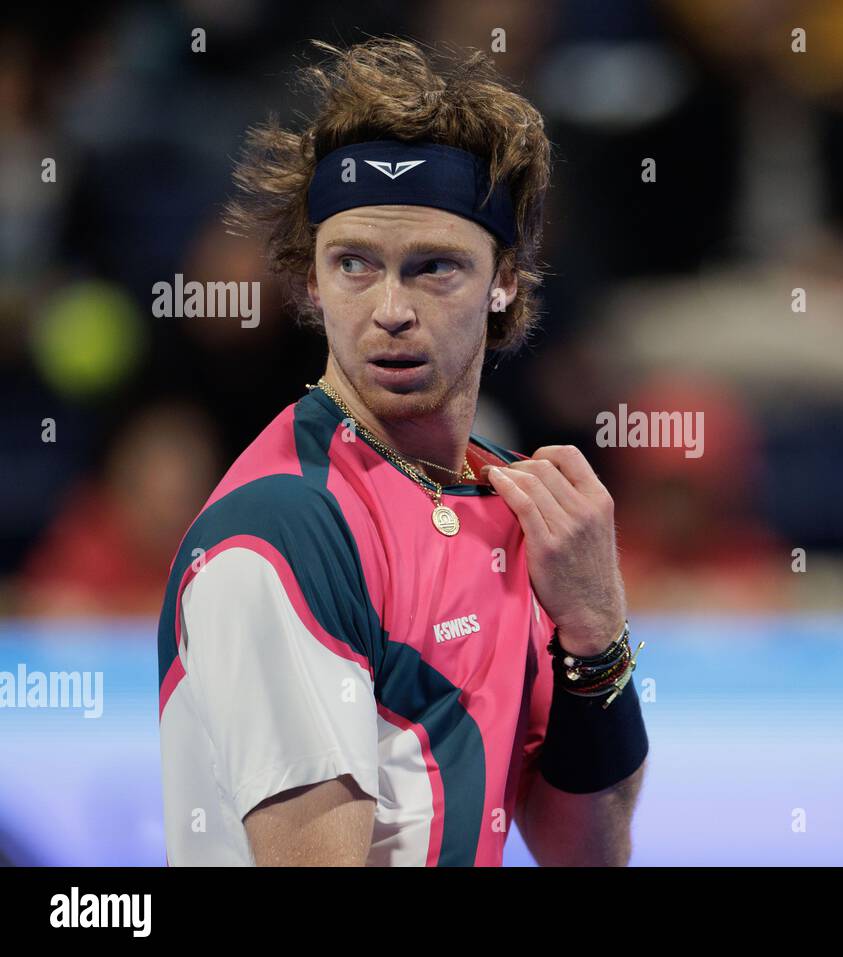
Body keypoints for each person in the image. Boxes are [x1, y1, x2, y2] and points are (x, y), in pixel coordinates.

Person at [156, 38, 648, 866]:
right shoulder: (284, 530)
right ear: (311, 281)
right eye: (354, 264)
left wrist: (595, 632)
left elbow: (587, 851)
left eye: (434, 269)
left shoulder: (513, 503)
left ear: (506, 284)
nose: (389, 309)